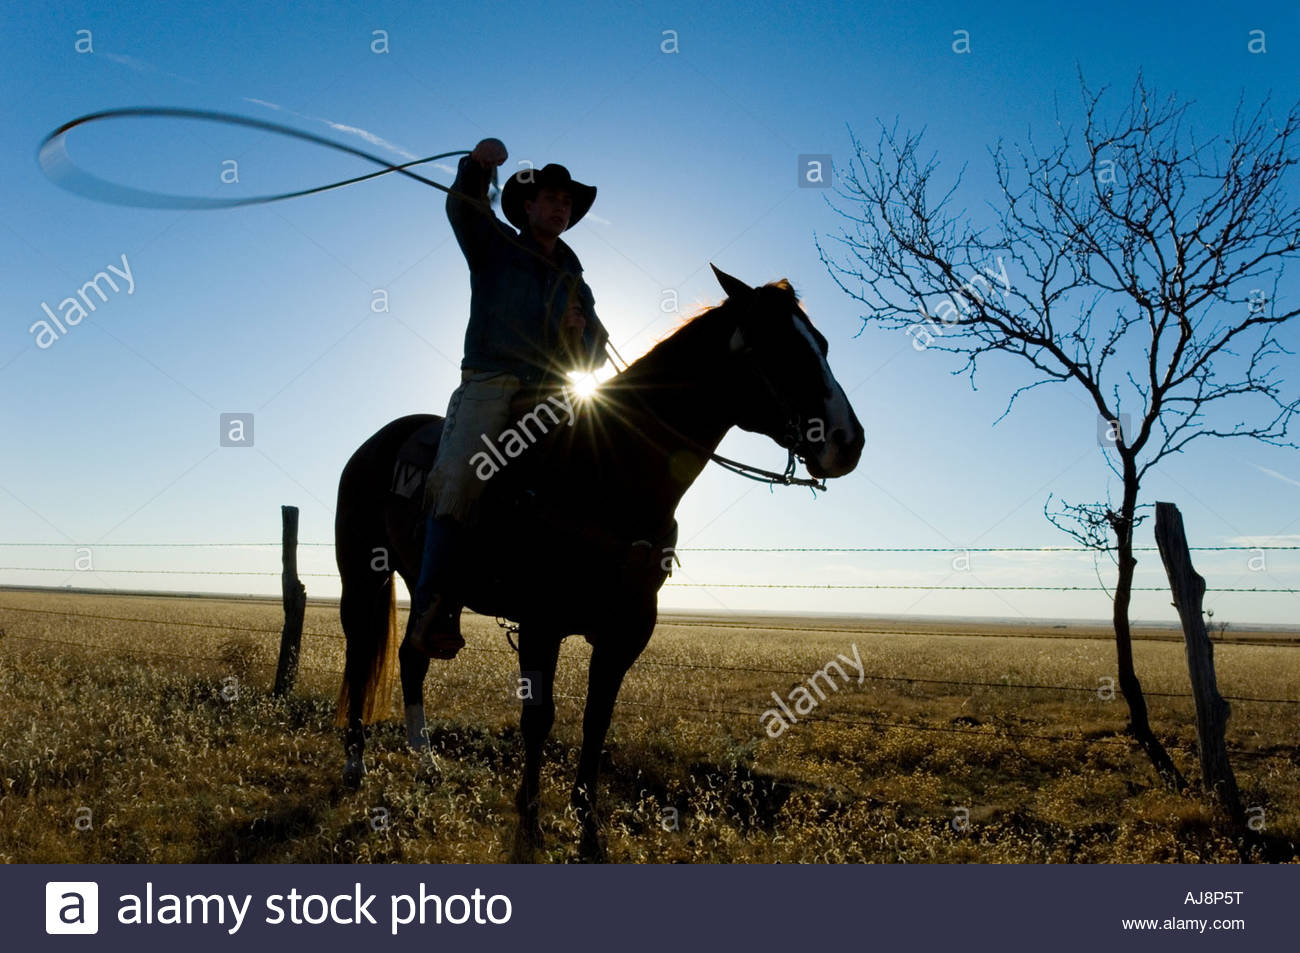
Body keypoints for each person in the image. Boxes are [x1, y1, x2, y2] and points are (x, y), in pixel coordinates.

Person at [408, 137, 608, 658]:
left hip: (555, 391)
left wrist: (580, 331)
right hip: (492, 380)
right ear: (526, 205)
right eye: (551, 198)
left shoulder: (574, 279)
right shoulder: (494, 243)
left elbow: (597, 354)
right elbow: (463, 209)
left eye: (567, 202)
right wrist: (476, 168)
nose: (560, 207)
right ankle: (435, 605)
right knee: (461, 474)